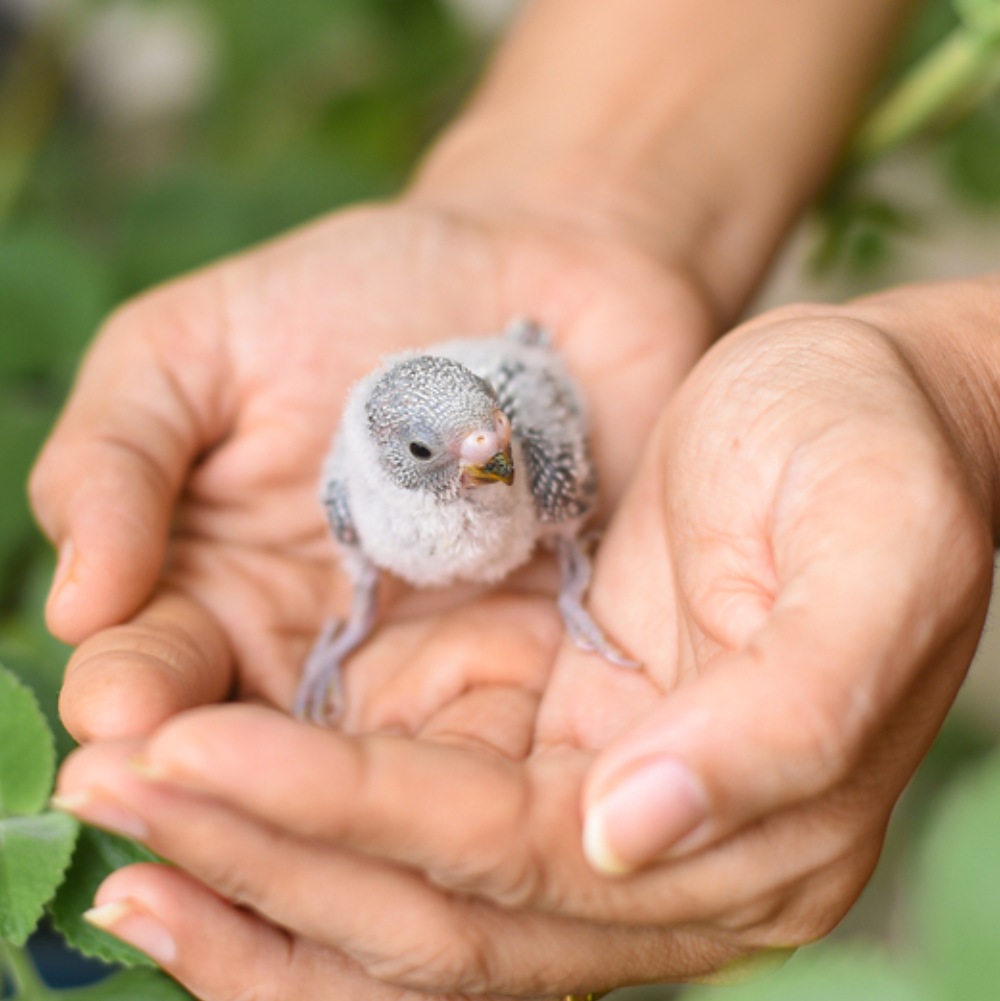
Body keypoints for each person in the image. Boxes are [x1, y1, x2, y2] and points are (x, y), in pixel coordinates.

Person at [37, 1, 999, 998]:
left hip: (526, 365)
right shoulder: (347, 489)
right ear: (384, 455)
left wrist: (967, 382)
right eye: (459, 452)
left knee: (557, 508)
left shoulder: (521, 448)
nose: (496, 465)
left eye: (494, 442)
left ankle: (567, 581)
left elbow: (519, 454)